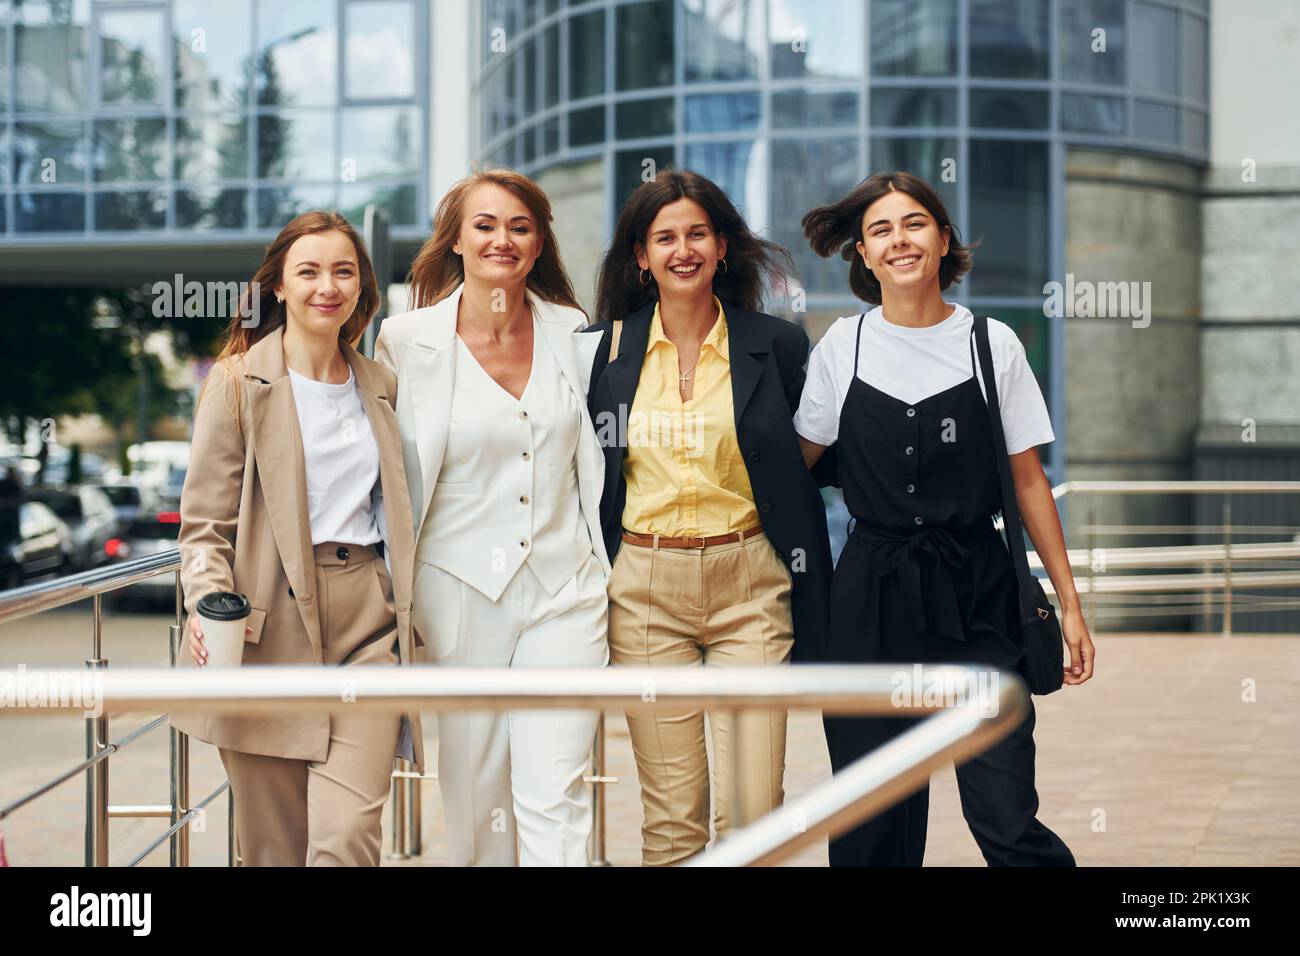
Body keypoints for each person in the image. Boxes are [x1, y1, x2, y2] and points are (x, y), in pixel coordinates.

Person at [796, 171, 1094, 866]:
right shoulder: (844, 346)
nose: (899, 240)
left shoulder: (994, 345)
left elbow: (1027, 481)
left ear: (944, 238)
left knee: (1006, 815)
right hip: (869, 598)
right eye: (880, 230)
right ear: (863, 257)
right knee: (872, 821)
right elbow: (795, 466)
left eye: (914, 223)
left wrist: (1071, 605)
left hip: (979, 594)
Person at [587, 169, 833, 865]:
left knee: (754, 813)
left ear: (722, 246)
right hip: (642, 588)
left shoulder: (777, 345)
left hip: (751, 583)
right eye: (664, 237)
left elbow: (805, 459)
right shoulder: (602, 350)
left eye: (698, 233)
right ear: (640, 256)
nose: (682, 249)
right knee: (672, 821)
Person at [172, 210, 425, 866]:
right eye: (307, 271)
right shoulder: (234, 384)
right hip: (264, 632)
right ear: (279, 286)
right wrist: (207, 602)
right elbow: (205, 526)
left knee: (346, 837)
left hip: (367, 627)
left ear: (362, 287)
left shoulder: (381, 385)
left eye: (343, 271)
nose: (326, 286)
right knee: (272, 849)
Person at [374, 170, 609, 867]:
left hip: (565, 589)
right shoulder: (405, 340)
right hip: (459, 593)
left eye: (520, 226)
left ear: (538, 244)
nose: (502, 239)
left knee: (555, 788)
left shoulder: (573, 331)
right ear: (455, 241)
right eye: (484, 225)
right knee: (478, 800)